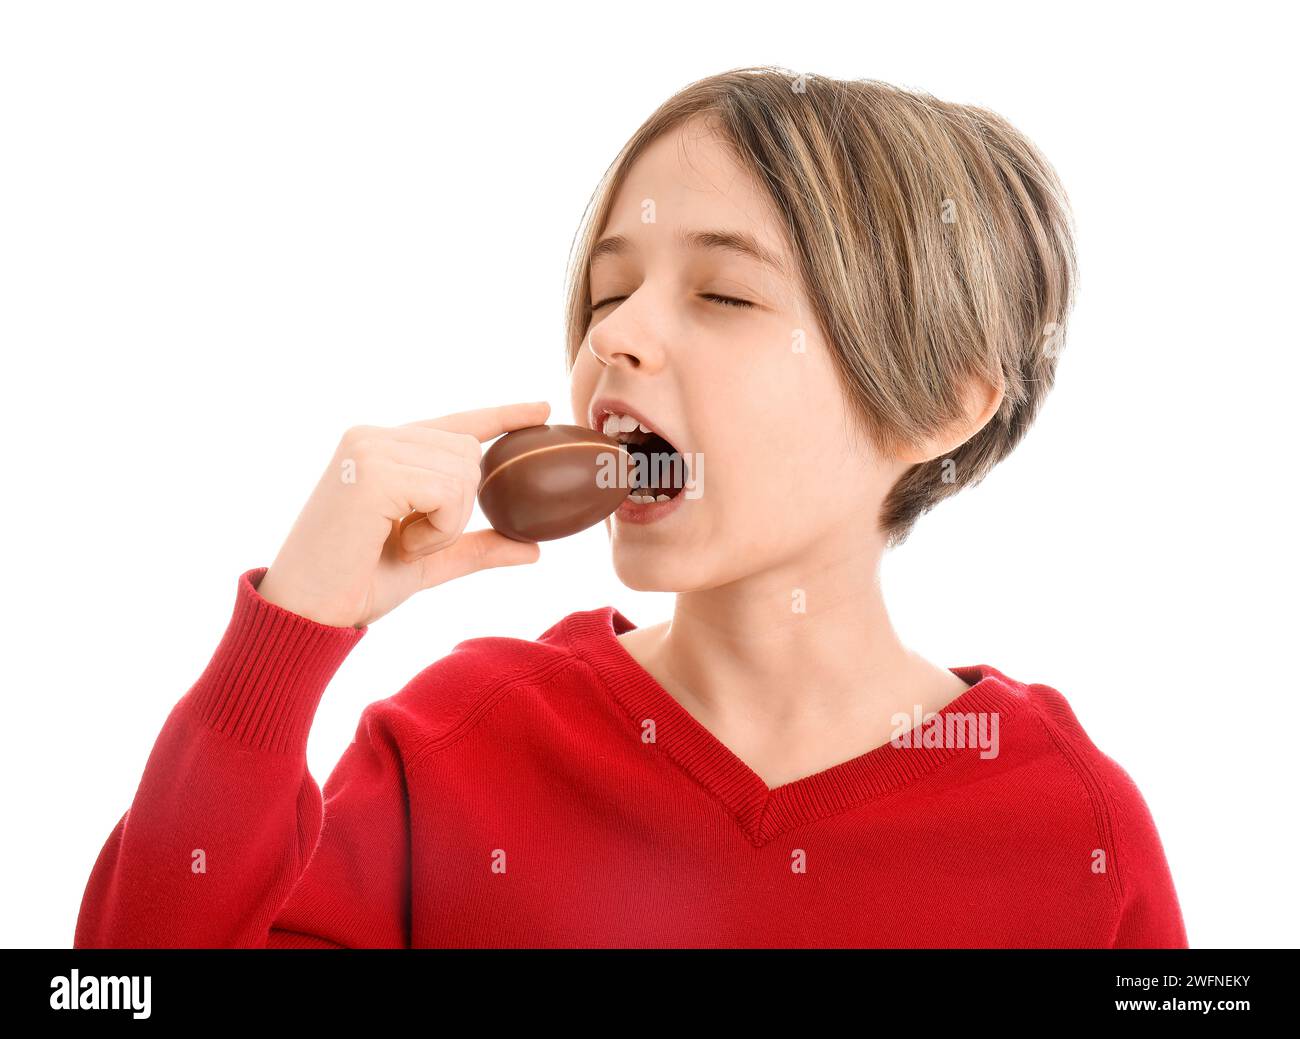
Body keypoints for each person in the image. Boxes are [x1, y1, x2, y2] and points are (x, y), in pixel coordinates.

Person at [74, 66, 1187, 948]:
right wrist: (289, 636)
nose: (613, 336)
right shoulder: (457, 749)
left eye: (724, 293)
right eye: (608, 293)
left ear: (941, 404)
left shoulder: (1073, 827)